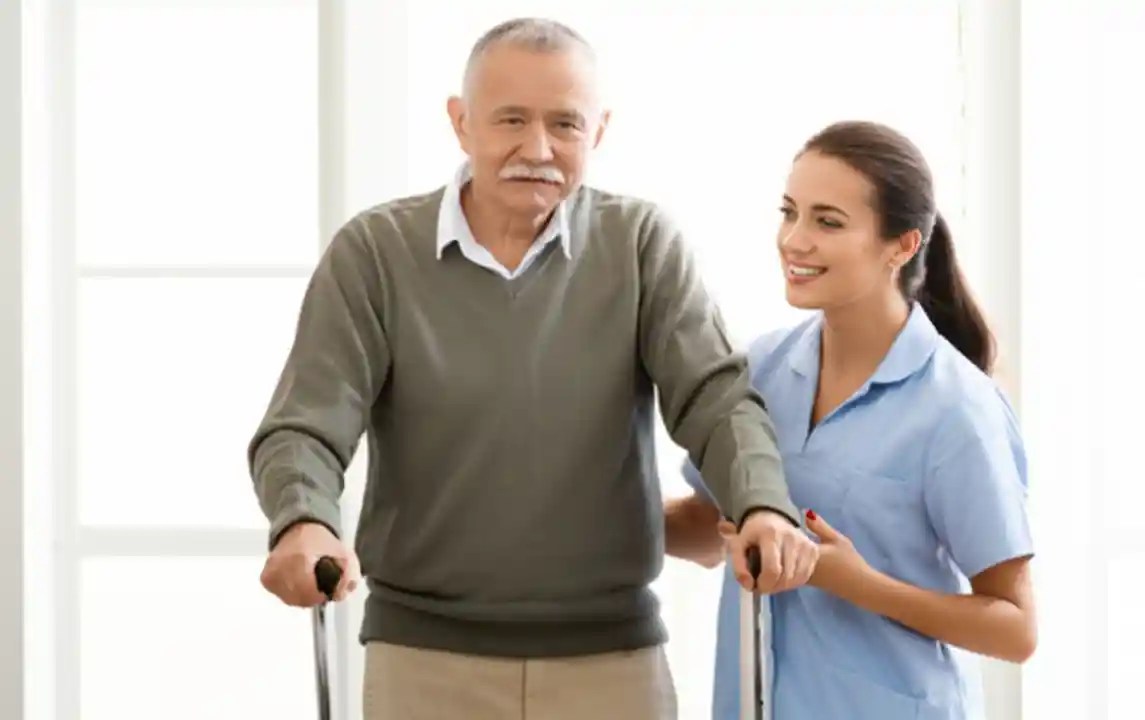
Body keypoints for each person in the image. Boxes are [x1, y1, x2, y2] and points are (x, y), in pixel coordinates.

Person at [247, 16, 818, 720]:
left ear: (599, 132)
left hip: (611, 662)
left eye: (565, 125)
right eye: (510, 120)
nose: (537, 148)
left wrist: (761, 503)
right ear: (461, 123)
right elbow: (305, 424)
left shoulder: (640, 244)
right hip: (422, 661)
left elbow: (717, 398)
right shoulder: (375, 252)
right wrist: (303, 520)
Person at [665, 120, 1037, 719]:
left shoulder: (955, 408)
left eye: (827, 221)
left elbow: (1015, 630)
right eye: (790, 213)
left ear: (902, 246)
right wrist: (595, 518)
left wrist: (855, 582)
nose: (794, 240)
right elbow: (711, 527)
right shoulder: (761, 368)